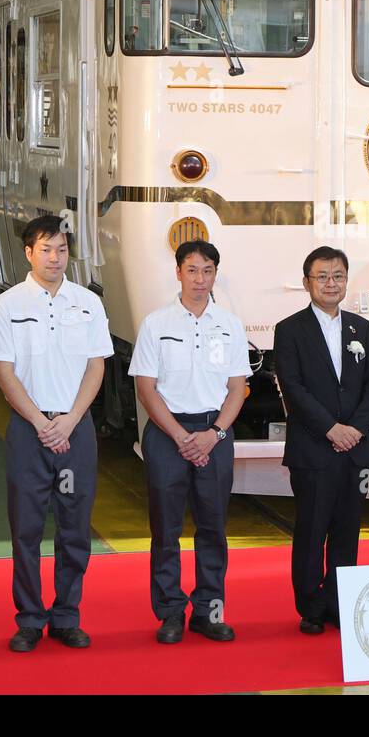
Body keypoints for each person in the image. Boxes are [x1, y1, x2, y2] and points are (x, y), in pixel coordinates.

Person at [0, 214, 113, 652]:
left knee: (75, 527)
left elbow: (97, 366)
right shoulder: (9, 305)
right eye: (45, 250)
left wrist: (71, 420)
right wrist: (40, 423)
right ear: (28, 253)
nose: (54, 258)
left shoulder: (88, 303)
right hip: (28, 431)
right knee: (27, 528)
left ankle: (66, 617)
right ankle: (29, 619)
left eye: (61, 250)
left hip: (76, 429)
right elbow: (4, 371)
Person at [128, 240, 252, 642]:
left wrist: (214, 434)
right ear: (178, 272)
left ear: (216, 274)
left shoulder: (230, 324)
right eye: (192, 270)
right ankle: (169, 613)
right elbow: (146, 389)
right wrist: (182, 436)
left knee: (213, 527)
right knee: (166, 528)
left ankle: (209, 611)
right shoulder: (156, 324)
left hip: (214, 433)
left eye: (208, 271)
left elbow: (237, 388)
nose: (200, 279)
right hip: (168, 433)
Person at [273, 247, 369, 634]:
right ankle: (311, 604)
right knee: (311, 528)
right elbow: (294, 388)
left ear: (346, 281)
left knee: (347, 529)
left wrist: (355, 429)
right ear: (307, 283)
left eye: (337, 276)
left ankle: (339, 601)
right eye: (322, 277)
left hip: (355, 449)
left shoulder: (362, 329)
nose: (330, 283)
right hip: (313, 448)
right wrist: (330, 429)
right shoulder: (289, 330)